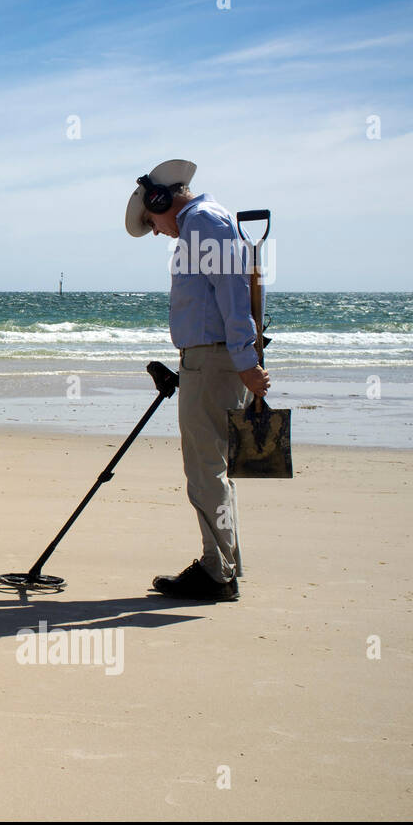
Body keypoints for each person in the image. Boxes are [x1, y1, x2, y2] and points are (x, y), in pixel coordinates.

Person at [125, 159, 269, 602]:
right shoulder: (201, 224)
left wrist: (245, 359)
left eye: (152, 219)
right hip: (208, 362)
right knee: (214, 469)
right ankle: (223, 565)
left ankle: (217, 572)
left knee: (206, 469)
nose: (154, 230)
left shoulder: (203, 221)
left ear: (163, 198)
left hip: (213, 362)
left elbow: (231, 292)